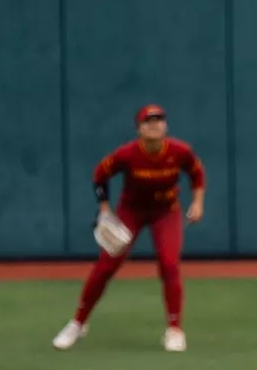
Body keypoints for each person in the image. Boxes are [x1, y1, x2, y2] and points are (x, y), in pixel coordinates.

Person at [52, 104, 206, 352]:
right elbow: (100, 175)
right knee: (106, 266)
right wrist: (104, 209)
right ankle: (78, 323)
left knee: (169, 265)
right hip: (131, 212)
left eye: (158, 120)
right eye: (148, 121)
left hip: (166, 212)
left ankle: (175, 329)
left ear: (165, 125)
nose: (154, 125)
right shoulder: (127, 154)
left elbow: (196, 173)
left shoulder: (180, 151)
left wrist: (198, 203)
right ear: (138, 129)